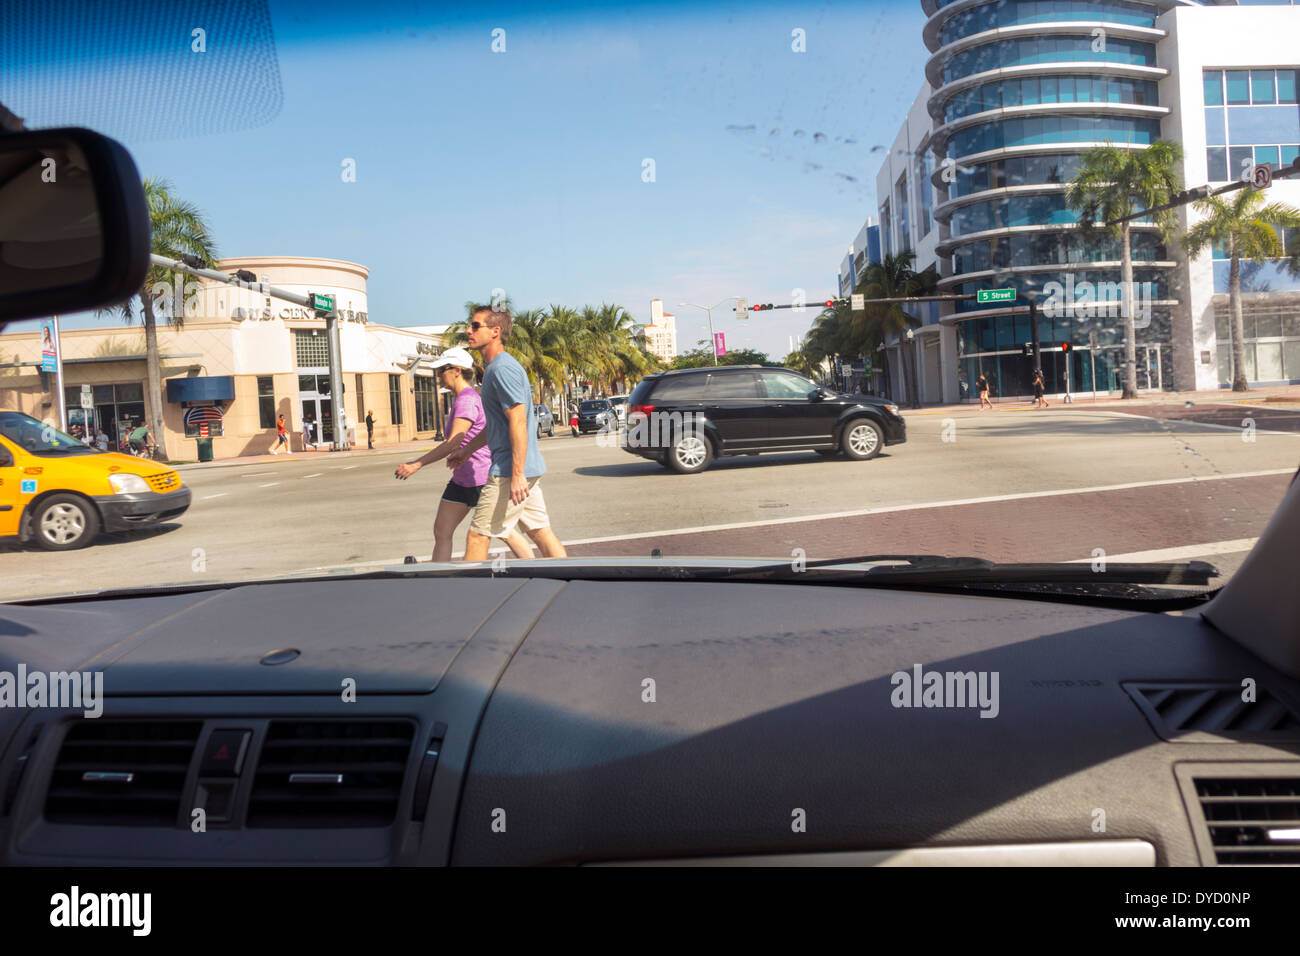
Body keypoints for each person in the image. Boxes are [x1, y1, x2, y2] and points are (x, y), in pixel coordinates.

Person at [446, 305, 567, 560]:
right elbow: (497, 424)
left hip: (508, 471)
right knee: (539, 531)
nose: (469, 330)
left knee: (479, 534)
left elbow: (518, 421)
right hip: (522, 469)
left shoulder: (502, 368)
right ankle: (570, 581)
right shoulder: (494, 368)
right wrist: (467, 450)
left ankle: (472, 598)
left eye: (476, 326)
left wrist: (517, 474)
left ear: (495, 332)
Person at [394, 348, 534, 562]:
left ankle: (534, 567)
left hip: (479, 478)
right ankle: (439, 580)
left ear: (456, 371)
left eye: (441, 370)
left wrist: (417, 464)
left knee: (504, 531)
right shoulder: (466, 398)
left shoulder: (467, 400)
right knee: (442, 532)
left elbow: (453, 442)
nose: (438, 375)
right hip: (462, 479)